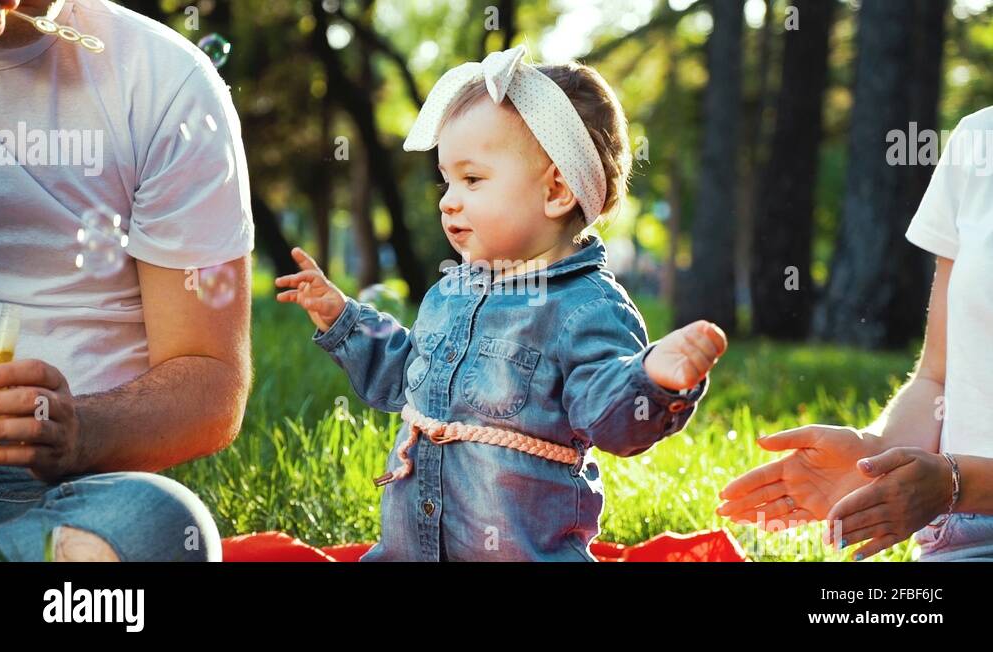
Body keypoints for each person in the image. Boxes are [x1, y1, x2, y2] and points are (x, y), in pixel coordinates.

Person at [274, 45, 728, 561]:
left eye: (472, 179)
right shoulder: (450, 292)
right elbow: (404, 378)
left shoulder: (586, 309)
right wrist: (344, 321)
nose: (447, 199)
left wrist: (654, 379)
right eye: (446, 180)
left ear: (556, 190)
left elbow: (612, 420)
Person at [0, 0, 254, 560]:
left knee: (158, 525)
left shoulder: (162, 78)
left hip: (64, 491)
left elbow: (211, 385)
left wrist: (75, 431)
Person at [718, 107, 993, 562]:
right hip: (960, 533)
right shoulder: (978, 137)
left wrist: (955, 483)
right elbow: (937, 377)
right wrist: (877, 453)